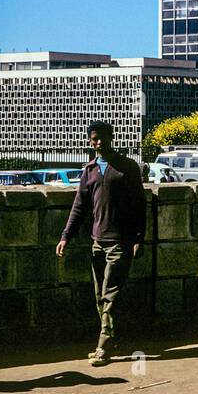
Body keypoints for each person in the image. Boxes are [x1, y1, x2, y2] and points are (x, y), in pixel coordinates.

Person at [56, 121, 148, 366]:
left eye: (103, 138)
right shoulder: (90, 170)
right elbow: (80, 206)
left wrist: (139, 238)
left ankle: (103, 346)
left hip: (121, 242)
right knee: (100, 296)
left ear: (111, 138)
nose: (99, 142)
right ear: (90, 141)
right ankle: (112, 338)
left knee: (111, 294)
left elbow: (140, 205)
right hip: (97, 241)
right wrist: (66, 235)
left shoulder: (127, 167)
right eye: (94, 139)